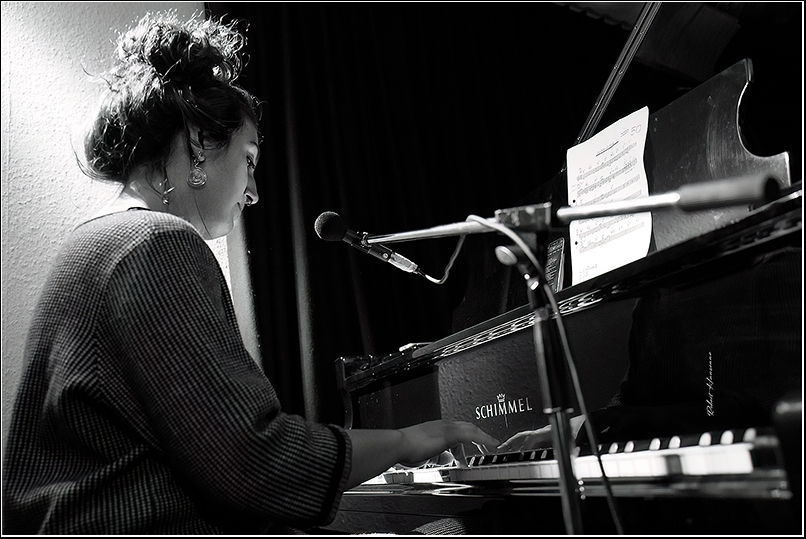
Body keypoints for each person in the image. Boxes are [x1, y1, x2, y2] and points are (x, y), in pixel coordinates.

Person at [1, 11, 498, 535]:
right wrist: (416, 438)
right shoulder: (156, 245)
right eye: (251, 160)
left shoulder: (94, 242)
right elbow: (255, 461)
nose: (254, 192)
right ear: (198, 142)